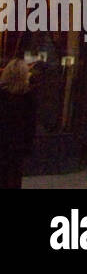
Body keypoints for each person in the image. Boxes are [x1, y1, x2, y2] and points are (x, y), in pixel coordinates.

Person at [0, 58, 36, 189]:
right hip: (17, 147)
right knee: (13, 178)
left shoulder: (2, 95)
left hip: (3, 145)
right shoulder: (28, 98)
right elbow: (30, 126)